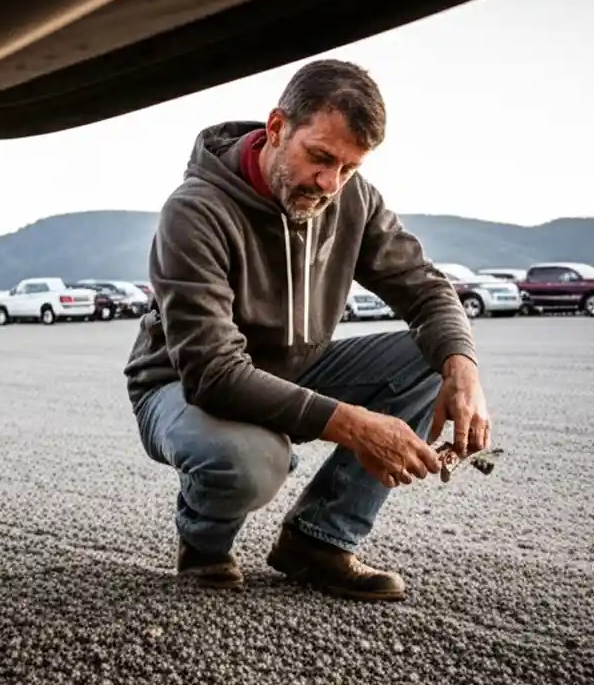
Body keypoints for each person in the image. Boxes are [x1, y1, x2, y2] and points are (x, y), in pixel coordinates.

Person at [122, 59, 491, 602]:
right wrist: (354, 425)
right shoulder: (196, 211)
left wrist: (463, 368)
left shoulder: (352, 198)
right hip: (180, 384)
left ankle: (318, 541)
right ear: (276, 128)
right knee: (252, 459)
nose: (329, 183)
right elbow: (214, 374)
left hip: (295, 368)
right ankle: (203, 547)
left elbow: (426, 288)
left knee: (432, 358)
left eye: (347, 167)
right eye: (319, 157)